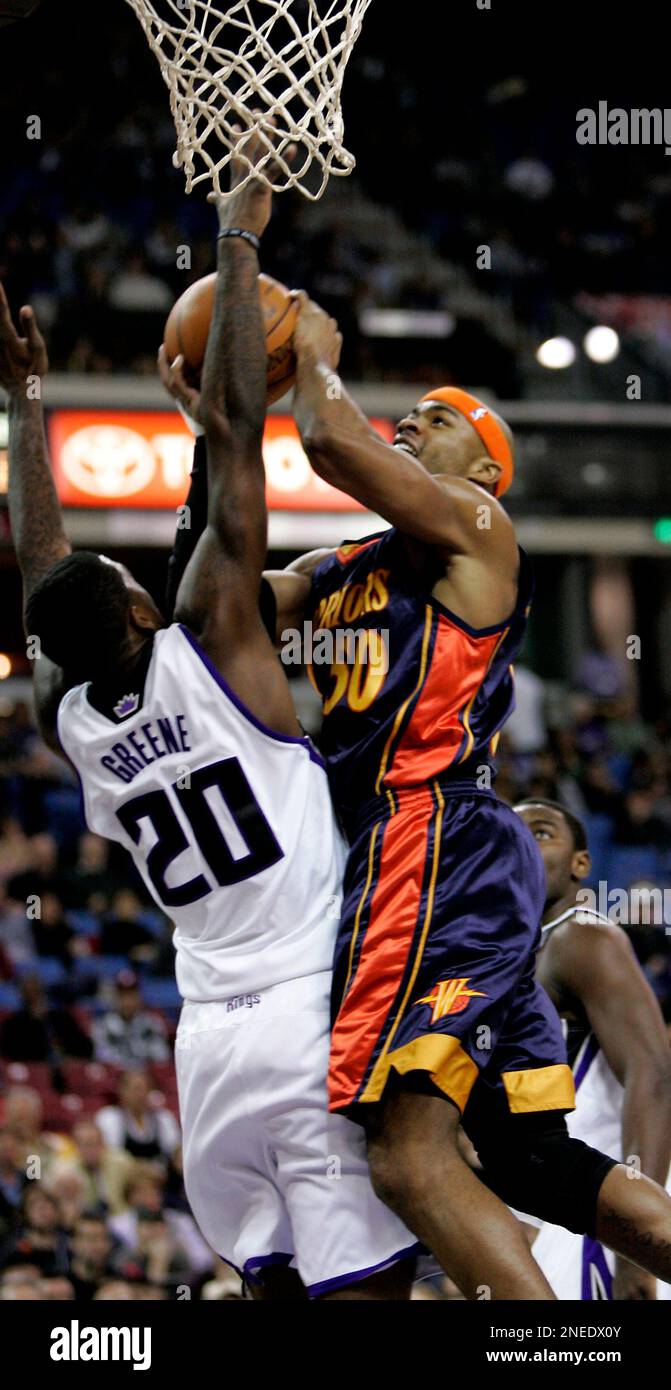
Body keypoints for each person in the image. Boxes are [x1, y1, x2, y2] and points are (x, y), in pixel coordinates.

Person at [164, 298, 671, 1295]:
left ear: (484, 474)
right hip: (409, 857)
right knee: (528, 1161)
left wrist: (313, 356)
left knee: (404, 1158)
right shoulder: (336, 569)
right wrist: (209, 441)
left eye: (440, 419)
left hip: (430, 843)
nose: (413, 419)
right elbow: (206, 615)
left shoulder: (482, 532)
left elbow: (329, 440)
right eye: (415, 411)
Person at [0, 137, 415, 1301]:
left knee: (269, 1283)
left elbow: (44, 579)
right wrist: (237, 236)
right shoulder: (216, 637)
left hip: (209, 1044)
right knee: (373, 1286)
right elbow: (238, 430)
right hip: (308, 1010)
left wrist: (24, 403)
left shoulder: (73, 719)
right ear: (143, 607)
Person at [514, 798, 671, 1300]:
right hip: (560, 1202)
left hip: (608, 1200)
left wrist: (637, 1247)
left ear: (580, 863)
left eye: (541, 833)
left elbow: (654, 1076)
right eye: (509, 834)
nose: (522, 844)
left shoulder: (582, 937)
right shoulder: (513, 955)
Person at [92, 970, 169, 1066]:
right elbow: (102, 1057)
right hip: (117, 1073)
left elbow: (162, 1056)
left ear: (139, 997)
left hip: (147, 1073)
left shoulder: (152, 1024)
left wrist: (140, 1068)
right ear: (115, 997)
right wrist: (128, 1069)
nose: (127, 1001)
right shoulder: (103, 1025)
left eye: (132, 995)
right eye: (123, 996)